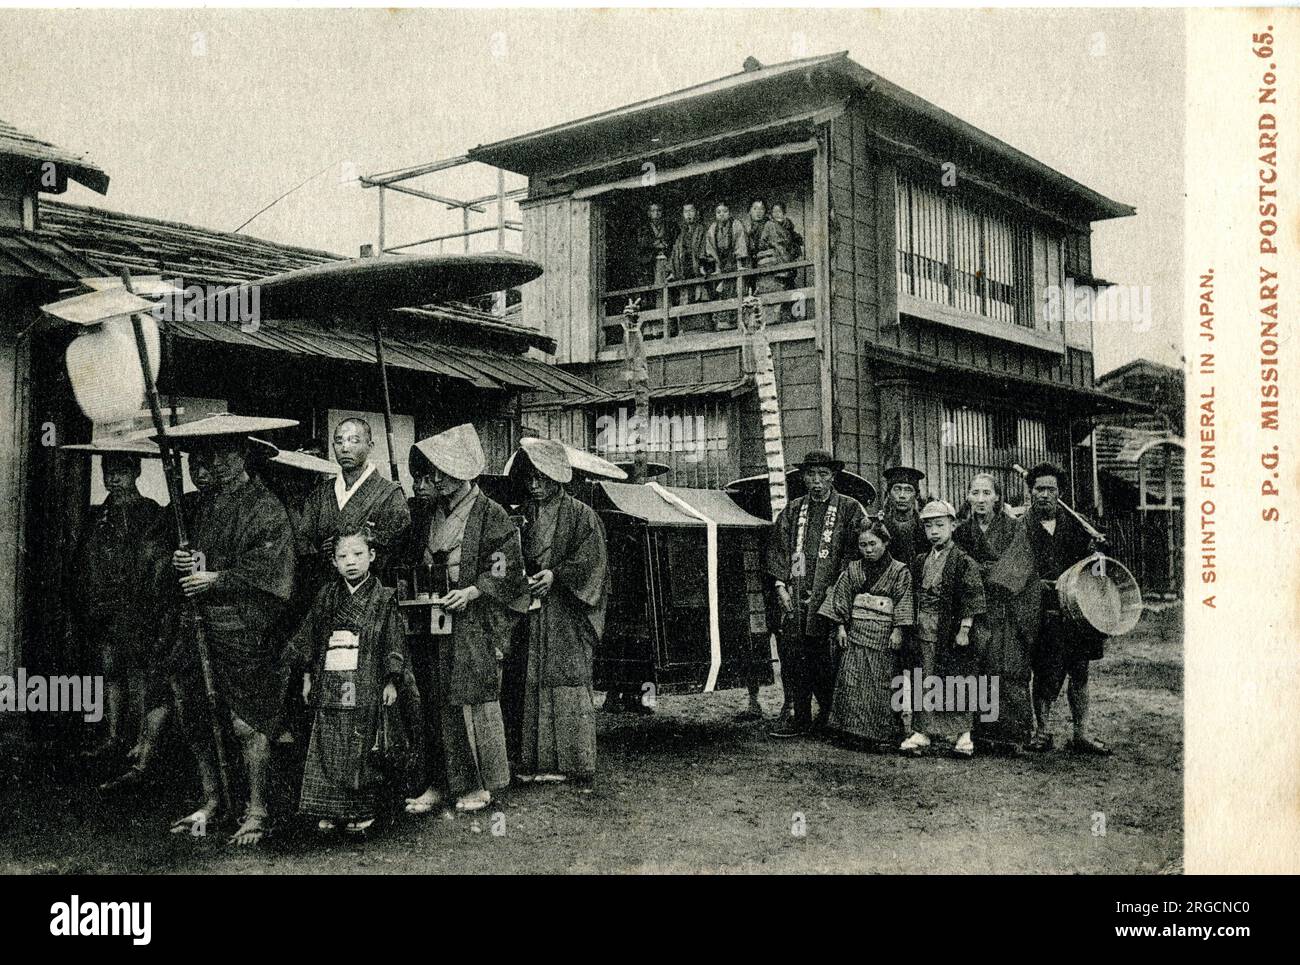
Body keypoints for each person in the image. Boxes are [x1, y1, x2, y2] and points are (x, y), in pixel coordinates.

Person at [161, 416, 298, 846]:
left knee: (246, 720)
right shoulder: (195, 506)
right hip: (195, 625)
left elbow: (270, 569)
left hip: (242, 626)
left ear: (241, 457)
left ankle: (257, 809)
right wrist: (182, 564)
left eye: (216, 459)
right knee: (198, 716)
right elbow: (177, 560)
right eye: (196, 462)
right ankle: (212, 800)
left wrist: (217, 579)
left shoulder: (264, 507)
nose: (204, 470)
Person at [399, 424, 530, 815]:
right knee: (434, 699)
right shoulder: (428, 512)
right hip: (433, 614)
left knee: (471, 699)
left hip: (472, 617)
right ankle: (439, 782)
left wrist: (473, 591)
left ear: (460, 474)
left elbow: (506, 565)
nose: (433, 479)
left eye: (439, 472)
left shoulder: (491, 513)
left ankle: (477, 785)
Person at [282, 528, 422, 838]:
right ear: (333, 562)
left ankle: (361, 810)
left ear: (371, 556)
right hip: (330, 678)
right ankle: (331, 810)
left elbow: (392, 639)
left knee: (360, 745)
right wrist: (307, 676)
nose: (351, 562)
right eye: (343, 556)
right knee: (328, 744)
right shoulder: (327, 595)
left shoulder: (384, 597)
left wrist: (391, 681)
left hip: (366, 679)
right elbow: (312, 638)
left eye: (358, 554)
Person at [988, 463, 1110, 755]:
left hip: (1077, 610)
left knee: (1080, 671)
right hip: (1041, 609)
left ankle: (1081, 733)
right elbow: (1013, 570)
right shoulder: (1020, 526)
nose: (1044, 495)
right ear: (1030, 492)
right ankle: (1043, 731)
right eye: (1038, 489)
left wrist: (1099, 549)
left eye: (1050, 489)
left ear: (1059, 493)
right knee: (1044, 672)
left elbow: (1094, 563)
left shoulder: (1078, 525)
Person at [513, 439, 609, 787]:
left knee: (566, 680)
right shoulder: (524, 514)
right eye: (531, 478)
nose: (535, 485)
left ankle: (573, 762)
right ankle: (535, 761)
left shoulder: (582, 515)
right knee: (532, 680)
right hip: (534, 610)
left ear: (557, 478)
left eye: (543, 478)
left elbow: (592, 562)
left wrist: (556, 575)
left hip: (567, 613)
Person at [765, 448, 868, 738]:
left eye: (823, 474)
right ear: (804, 477)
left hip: (833, 596)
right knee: (795, 656)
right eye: (811, 474)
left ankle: (829, 715)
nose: (817, 481)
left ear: (833, 476)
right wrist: (780, 585)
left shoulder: (850, 508)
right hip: (795, 595)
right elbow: (780, 549)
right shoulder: (794, 509)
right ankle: (799, 716)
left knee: (826, 658)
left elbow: (856, 552)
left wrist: (836, 590)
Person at [67, 451, 163, 760]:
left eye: (121, 470)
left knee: (138, 671)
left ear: (135, 471)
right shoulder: (97, 515)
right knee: (109, 670)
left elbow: (155, 562)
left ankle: (140, 739)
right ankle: (112, 735)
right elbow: (84, 560)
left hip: (138, 606)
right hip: (104, 605)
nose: (113, 477)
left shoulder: (151, 512)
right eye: (108, 470)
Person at [818, 517, 915, 751]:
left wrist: (898, 630)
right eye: (863, 545)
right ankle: (850, 732)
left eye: (873, 544)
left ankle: (881, 734)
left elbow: (903, 600)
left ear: (885, 542)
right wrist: (840, 626)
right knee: (851, 682)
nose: (868, 550)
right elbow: (840, 598)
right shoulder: (853, 569)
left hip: (883, 635)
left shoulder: (899, 570)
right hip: (856, 633)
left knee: (881, 684)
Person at [900, 500, 986, 757]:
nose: (934, 531)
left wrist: (965, 629)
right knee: (924, 677)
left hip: (949, 628)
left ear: (953, 525)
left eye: (940, 525)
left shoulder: (962, 561)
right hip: (924, 626)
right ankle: (923, 731)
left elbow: (972, 596)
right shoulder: (920, 560)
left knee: (956, 678)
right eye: (929, 527)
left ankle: (963, 734)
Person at [954, 473, 1030, 750]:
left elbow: (1017, 568)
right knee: (977, 667)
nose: (981, 499)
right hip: (974, 609)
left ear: (997, 497)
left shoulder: (1013, 528)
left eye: (987, 493)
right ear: (968, 497)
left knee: (1008, 668)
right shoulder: (961, 531)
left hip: (1005, 609)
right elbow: (957, 567)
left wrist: (979, 571)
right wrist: (976, 574)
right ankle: (979, 733)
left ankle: (1010, 736)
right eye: (976, 493)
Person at [296, 418, 411, 598]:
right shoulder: (321, 493)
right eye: (339, 441)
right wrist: (324, 552)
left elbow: (400, 552)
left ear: (370, 446)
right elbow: (303, 544)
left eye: (354, 441)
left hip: (372, 596)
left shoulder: (389, 494)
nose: (345, 448)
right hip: (325, 594)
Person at [668, 202, 711, 326]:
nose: (689, 215)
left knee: (700, 298)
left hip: (698, 271)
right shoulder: (681, 235)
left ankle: (703, 326)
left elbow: (705, 248)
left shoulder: (702, 230)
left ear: (696, 212)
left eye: (691, 211)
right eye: (686, 212)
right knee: (686, 301)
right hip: (685, 273)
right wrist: (672, 271)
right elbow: (675, 253)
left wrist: (702, 263)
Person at [705, 201, 749, 316]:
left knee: (737, 291)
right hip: (721, 264)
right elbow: (711, 249)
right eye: (718, 212)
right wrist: (717, 267)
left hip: (735, 263)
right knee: (721, 292)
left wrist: (739, 264)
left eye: (725, 211)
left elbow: (740, 244)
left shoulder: (736, 225)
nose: (722, 214)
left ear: (729, 213)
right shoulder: (712, 228)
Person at [881, 466, 928, 564]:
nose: (902, 495)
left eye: (908, 490)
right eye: (897, 489)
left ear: (917, 495)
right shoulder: (880, 525)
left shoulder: (925, 527)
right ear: (889, 494)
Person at [634, 201, 673, 289]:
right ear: (649, 213)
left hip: (667, 260)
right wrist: (653, 246)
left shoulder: (670, 227)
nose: (656, 213)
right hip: (651, 262)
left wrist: (665, 245)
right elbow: (641, 247)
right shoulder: (643, 229)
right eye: (653, 211)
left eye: (659, 210)